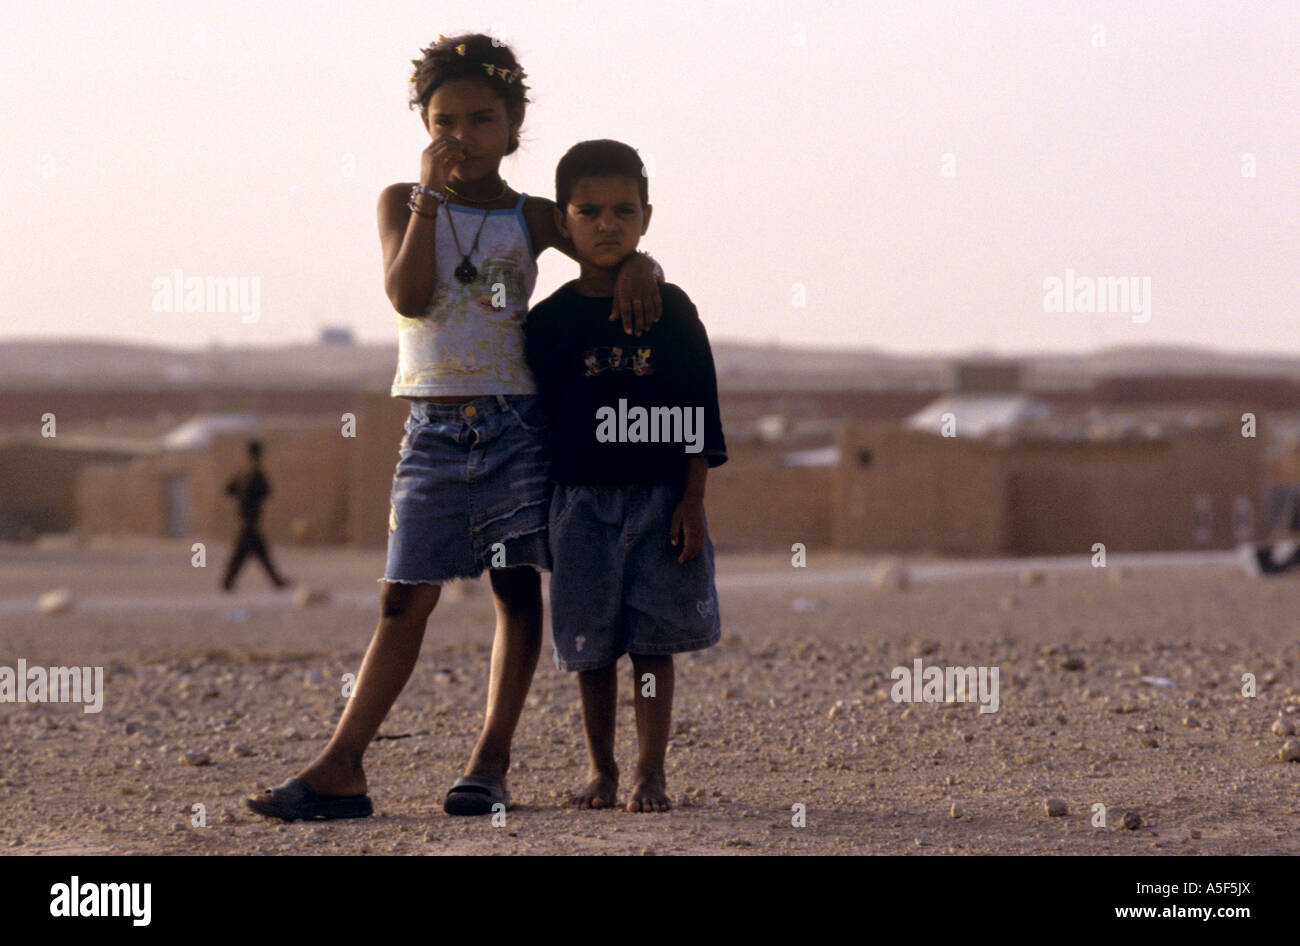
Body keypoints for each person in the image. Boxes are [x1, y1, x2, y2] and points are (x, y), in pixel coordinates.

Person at [245, 35, 665, 821]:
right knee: (403, 600)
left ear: (514, 125)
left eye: (481, 119)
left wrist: (648, 270)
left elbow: (610, 250)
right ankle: (343, 768)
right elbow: (407, 297)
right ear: (423, 125)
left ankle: (490, 763)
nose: (461, 137)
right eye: (444, 121)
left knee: (514, 590)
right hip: (433, 432)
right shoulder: (401, 200)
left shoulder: (533, 216)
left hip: (515, 428)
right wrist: (428, 201)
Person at [524, 140, 727, 813]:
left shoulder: (672, 310)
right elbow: (539, 422)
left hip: (661, 498)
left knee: (650, 646)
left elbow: (699, 408)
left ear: (646, 218)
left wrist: (693, 499)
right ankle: (601, 771)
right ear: (564, 220)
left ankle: (651, 772)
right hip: (578, 506)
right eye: (589, 211)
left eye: (623, 211)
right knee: (589, 650)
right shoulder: (548, 323)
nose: (606, 224)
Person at [221, 439, 290, 591]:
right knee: (247, 552)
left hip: (245, 518)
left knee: (256, 552)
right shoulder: (256, 472)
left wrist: (240, 496)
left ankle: (276, 581)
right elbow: (267, 491)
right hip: (250, 519)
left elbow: (228, 490)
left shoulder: (241, 472)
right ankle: (227, 582)